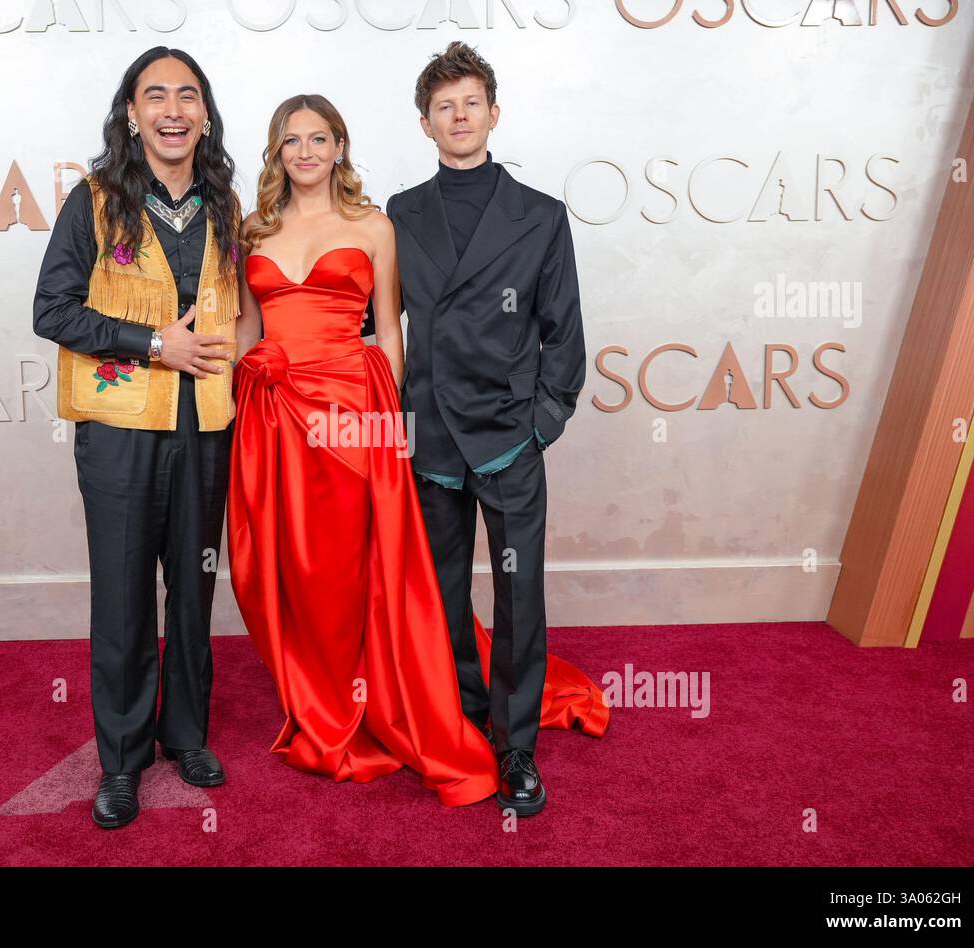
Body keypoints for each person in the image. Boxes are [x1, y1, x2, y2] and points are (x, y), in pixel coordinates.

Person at [227, 94, 608, 812]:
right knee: (362, 578)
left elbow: (393, 334)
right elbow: (250, 337)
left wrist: (393, 427)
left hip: (388, 424)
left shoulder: (379, 223)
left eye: (319, 138)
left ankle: (512, 738)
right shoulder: (261, 229)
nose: (305, 152)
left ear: (340, 144)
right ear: (276, 152)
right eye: (290, 141)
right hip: (285, 421)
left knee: (479, 581)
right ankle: (416, 704)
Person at [386, 41, 604, 816]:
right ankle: (461, 719)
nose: (458, 116)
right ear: (425, 123)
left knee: (518, 595)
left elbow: (565, 331)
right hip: (433, 439)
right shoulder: (401, 213)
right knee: (440, 594)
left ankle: (515, 747)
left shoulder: (539, 215)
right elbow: (381, 322)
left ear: (494, 113)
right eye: (444, 107)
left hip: (509, 438)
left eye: (471, 103)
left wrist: (543, 422)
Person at [32, 47, 243, 830]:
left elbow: (237, 311)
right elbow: (52, 310)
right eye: (156, 96)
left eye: (188, 96)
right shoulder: (93, 200)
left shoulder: (222, 202)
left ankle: (185, 734)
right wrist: (154, 345)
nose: (173, 109)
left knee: (193, 587)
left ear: (205, 114)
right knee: (123, 595)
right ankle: (121, 759)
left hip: (205, 426)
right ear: (132, 113)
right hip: (121, 430)